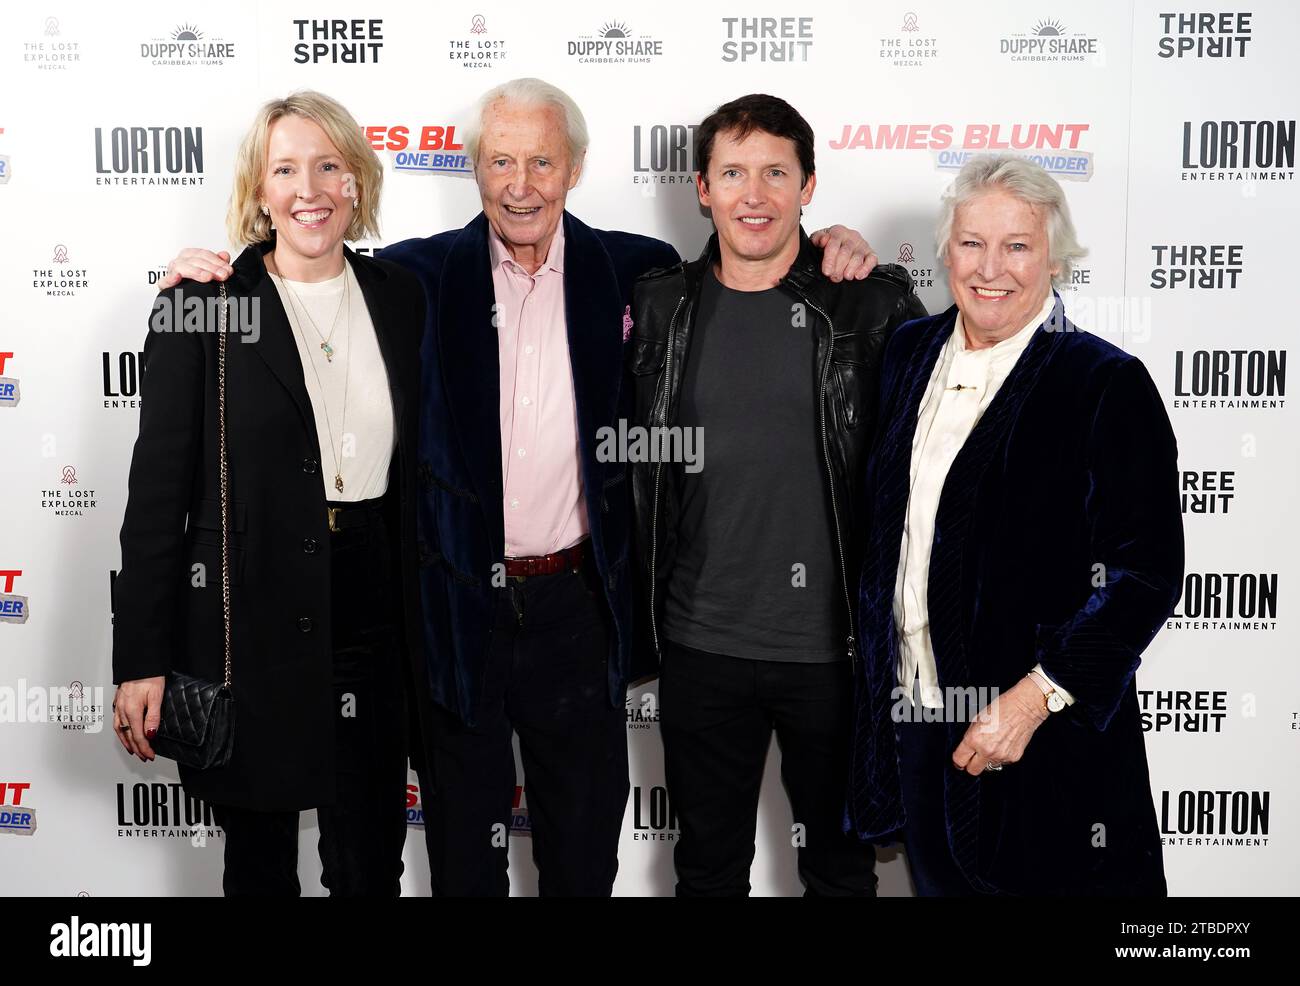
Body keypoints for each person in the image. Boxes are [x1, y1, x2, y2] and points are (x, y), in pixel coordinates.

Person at [158, 77, 878, 897]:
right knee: (466, 861)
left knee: (581, 857)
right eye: (501, 160)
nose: (521, 182)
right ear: (475, 170)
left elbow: (748, 258)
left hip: (578, 609)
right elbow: (307, 270)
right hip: (459, 610)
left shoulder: (635, 271)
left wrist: (832, 248)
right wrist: (215, 274)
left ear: (574, 168)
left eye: (541, 160)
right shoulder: (414, 279)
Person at [111, 91, 427, 896]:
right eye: (284, 168)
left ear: (357, 180)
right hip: (246, 624)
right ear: (258, 190)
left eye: (329, 166)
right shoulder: (201, 306)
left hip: (371, 616)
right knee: (257, 871)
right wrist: (142, 660)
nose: (308, 188)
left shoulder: (403, 296)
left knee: (369, 866)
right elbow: (156, 499)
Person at [846, 154, 1184, 896]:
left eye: (1018, 245)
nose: (990, 267)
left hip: (1045, 740)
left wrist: (1033, 701)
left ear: (1056, 256)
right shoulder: (909, 354)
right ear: (945, 251)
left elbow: (1146, 574)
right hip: (921, 727)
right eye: (972, 243)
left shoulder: (1103, 382)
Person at [627, 94, 927, 896]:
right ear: (702, 188)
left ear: (808, 186)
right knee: (708, 868)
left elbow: (946, 437)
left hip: (834, 655)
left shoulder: (870, 303)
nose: (752, 194)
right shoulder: (659, 306)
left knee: (838, 869)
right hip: (700, 646)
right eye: (732, 172)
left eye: (774, 173)